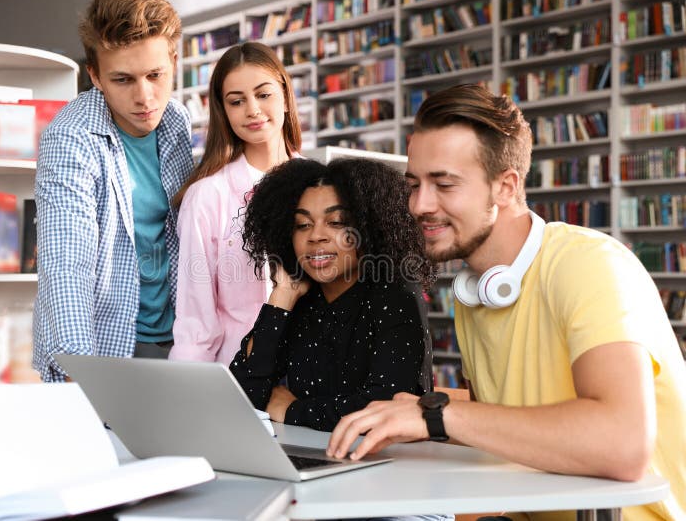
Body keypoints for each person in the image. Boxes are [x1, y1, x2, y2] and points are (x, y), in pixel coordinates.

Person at [327, 84, 686, 521]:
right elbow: (505, 422)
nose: (419, 205)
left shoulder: (588, 264)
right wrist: (399, 411)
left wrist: (437, 416)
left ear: (506, 186)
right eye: (414, 184)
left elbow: (622, 444)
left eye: (443, 184)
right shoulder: (476, 293)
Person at [32, 0, 193, 382]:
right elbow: (65, 262)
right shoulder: (70, 138)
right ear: (95, 76)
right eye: (123, 79)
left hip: (181, 342)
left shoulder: (176, 122)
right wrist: (80, 371)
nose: (145, 97)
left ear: (174, 61)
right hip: (107, 345)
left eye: (156, 75)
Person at [229, 157, 437, 433]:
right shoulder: (300, 298)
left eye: (336, 222)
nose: (316, 236)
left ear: (368, 227)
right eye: (302, 225)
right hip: (309, 454)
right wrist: (281, 297)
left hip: (385, 464)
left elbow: (386, 407)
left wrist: (292, 410)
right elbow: (242, 398)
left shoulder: (396, 295)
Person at [168, 42, 301, 365]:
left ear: (285, 95)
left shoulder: (323, 186)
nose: (252, 110)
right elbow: (195, 319)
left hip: (315, 380)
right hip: (238, 373)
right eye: (237, 101)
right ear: (223, 111)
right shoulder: (206, 197)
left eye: (263, 94)